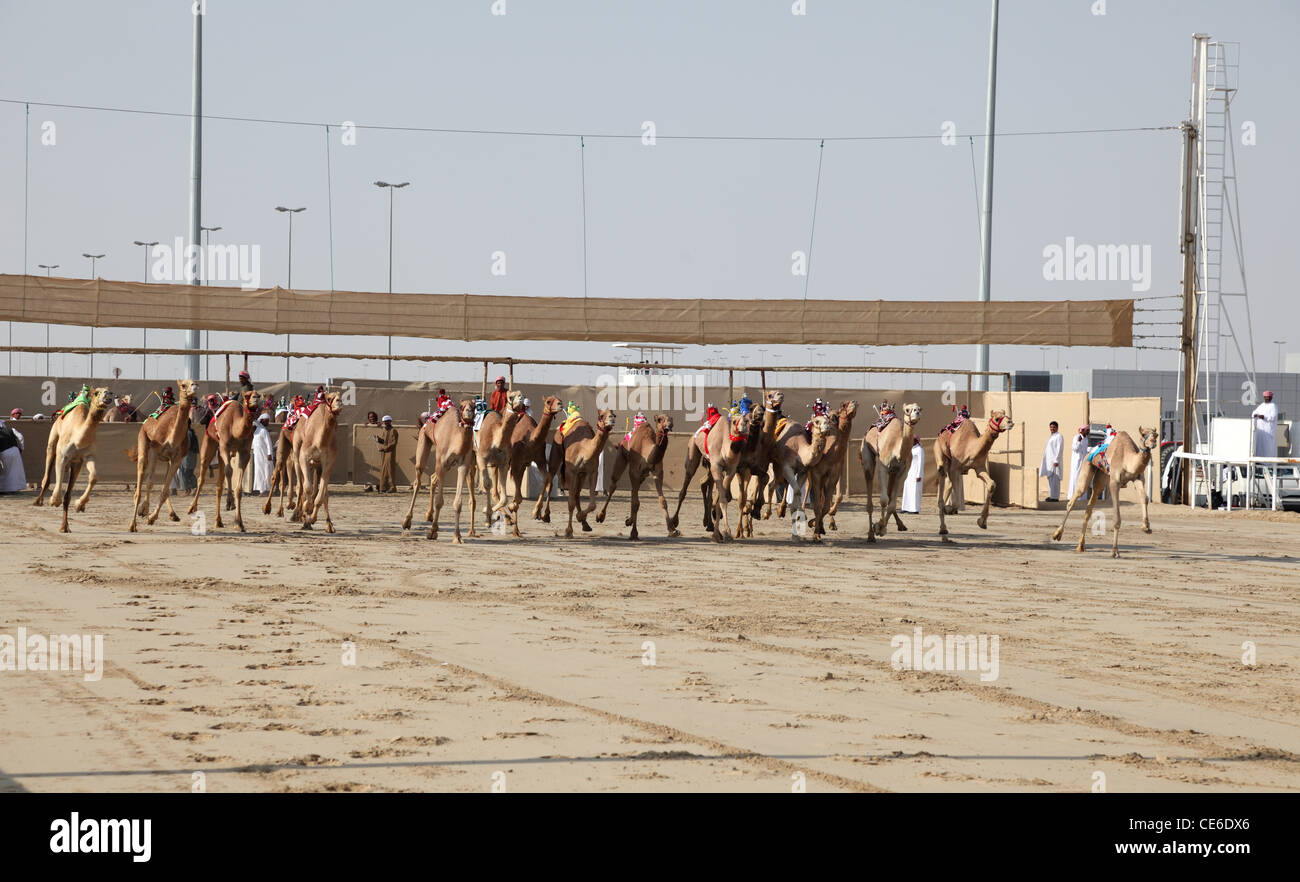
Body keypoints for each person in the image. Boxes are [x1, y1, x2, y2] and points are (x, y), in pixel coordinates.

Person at [1038, 421, 1064, 501]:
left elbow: (1059, 449)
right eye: (1051, 427)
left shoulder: (1059, 436)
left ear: (1057, 428)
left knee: (1055, 479)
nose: (1052, 428)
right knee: (1050, 479)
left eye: (1054, 427)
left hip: (1055, 462)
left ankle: (1055, 497)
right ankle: (1052, 495)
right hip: (1049, 461)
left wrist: (1056, 460)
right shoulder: (1052, 436)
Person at [0, 416, 26, 493]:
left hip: (4, 452)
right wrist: (21, 448)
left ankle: (7, 489)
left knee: (7, 471)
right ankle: (15, 488)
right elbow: (21, 437)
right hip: (15, 451)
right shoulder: (11, 429)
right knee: (17, 471)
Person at [251, 412, 274, 495]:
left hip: (265, 455)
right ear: (262, 420)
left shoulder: (263, 431)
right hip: (257, 455)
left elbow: (269, 443)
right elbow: (254, 444)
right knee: (259, 471)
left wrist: (269, 454)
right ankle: (261, 490)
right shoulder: (257, 431)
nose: (268, 423)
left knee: (266, 471)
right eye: (267, 421)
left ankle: (267, 489)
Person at [901, 435, 924, 514]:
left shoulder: (919, 450)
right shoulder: (910, 449)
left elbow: (921, 463)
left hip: (916, 473)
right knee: (907, 488)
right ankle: (906, 507)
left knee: (915, 491)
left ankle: (914, 509)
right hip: (910, 473)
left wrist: (919, 475)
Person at [1252, 390, 1278, 457]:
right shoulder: (1262, 405)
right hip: (1261, 431)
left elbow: (1273, 417)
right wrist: (1255, 415)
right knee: (1259, 446)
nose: (1267, 398)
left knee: (1268, 447)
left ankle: (1268, 464)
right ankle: (1259, 461)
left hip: (1268, 432)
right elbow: (1254, 412)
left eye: (1269, 397)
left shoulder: (1273, 406)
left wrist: (1264, 417)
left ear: (1271, 397)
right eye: (1266, 397)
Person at [377, 415, 398, 492]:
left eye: (386, 422)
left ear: (390, 422)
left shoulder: (394, 431)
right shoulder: (385, 430)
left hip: (390, 453)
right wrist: (378, 439)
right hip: (384, 453)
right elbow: (383, 441)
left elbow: (393, 443)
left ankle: (392, 488)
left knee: (390, 470)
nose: (385, 423)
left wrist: (384, 448)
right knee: (383, 470)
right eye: (384, 422)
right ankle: (383, 487)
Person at [1068, 425, 1089, 501]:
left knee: (1083, 478)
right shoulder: (1077, 437)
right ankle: (1073, 496)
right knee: (1075, 478)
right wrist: (1079, 441)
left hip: (1083, 462)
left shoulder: (1086, 439)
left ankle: (1082, 497)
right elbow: (1074, 448)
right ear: (1082, 430)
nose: (1088, 431)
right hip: (1076, 462)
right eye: (1087, 430)